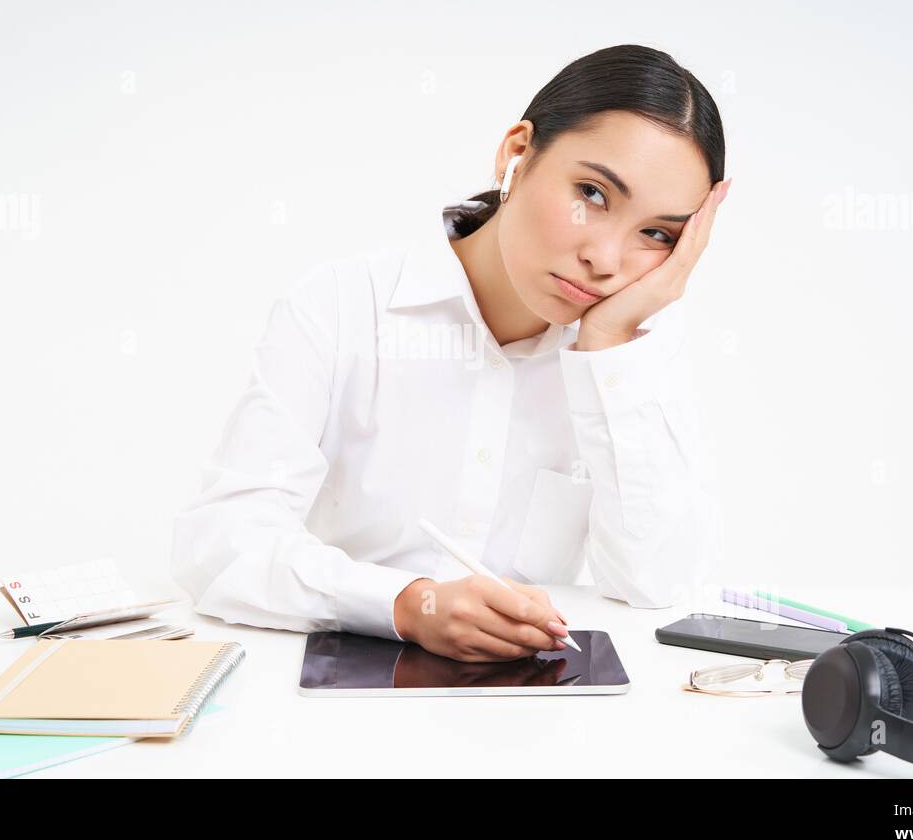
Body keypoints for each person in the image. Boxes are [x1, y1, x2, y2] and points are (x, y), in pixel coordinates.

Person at [172, 43, 731, 663]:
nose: (605, 260)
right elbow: (219, 545)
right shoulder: (341, 306)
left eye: (657, 235)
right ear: (517, 153)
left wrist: (607, 350)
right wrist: (407, 605)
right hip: (343, 702)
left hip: (536, 719)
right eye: (592, 195)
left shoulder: (630, 352)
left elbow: (659, 586)